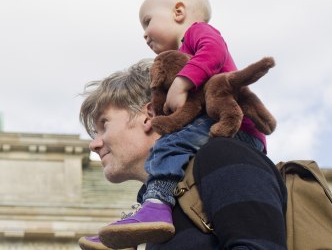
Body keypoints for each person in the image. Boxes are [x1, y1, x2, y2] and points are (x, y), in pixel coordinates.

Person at [77, 59, 287, 249]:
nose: (94, 145)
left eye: (104, 125)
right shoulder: (162, 215)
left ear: (148, 116)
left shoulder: (221, 154)